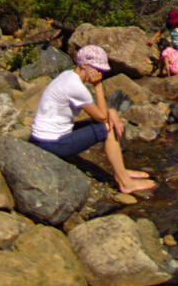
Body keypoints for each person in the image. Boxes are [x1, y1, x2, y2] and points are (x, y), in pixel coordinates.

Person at [30, 44, 155, 195]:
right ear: (84, 66)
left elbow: (101, 114)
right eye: (97, 69)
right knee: (107, 128)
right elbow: (102, 117)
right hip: (51, 143)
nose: (99, 73)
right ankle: (125, 182)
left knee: (107, 122)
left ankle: (120, 170)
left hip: (43, 138)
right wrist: (98, 86)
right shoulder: (75, 86)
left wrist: (111, 111)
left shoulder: (67, 75)